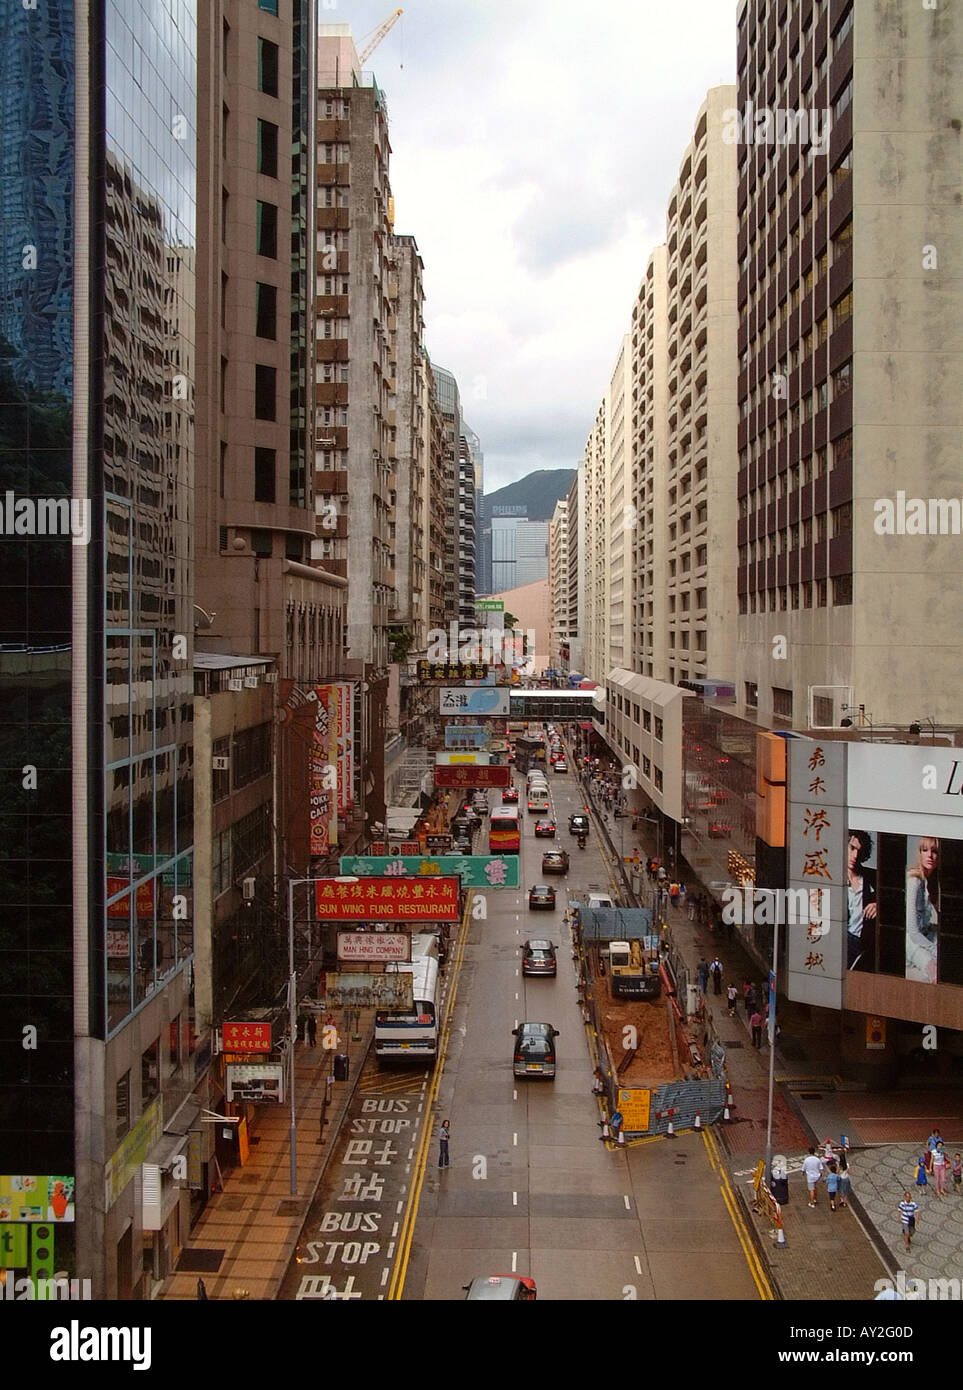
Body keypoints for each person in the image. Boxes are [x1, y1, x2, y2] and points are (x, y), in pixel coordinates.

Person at [905, 836, 939, 983]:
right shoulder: (914, 880)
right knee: (933, 968)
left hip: (923, 935)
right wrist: (934, 950)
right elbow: (912, 931)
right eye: (925, 850)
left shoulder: (931, 881)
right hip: (909, 939)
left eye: (934, 851)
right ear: (920, 853)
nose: (930, 855)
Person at [846, 829, 878, 971]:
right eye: (852, 848)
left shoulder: (872, 876)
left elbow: (896, 901)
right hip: (840, 939)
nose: (855, 855)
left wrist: (879, 905)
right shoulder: (831, 878)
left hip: (864, 941)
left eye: (859, 851)